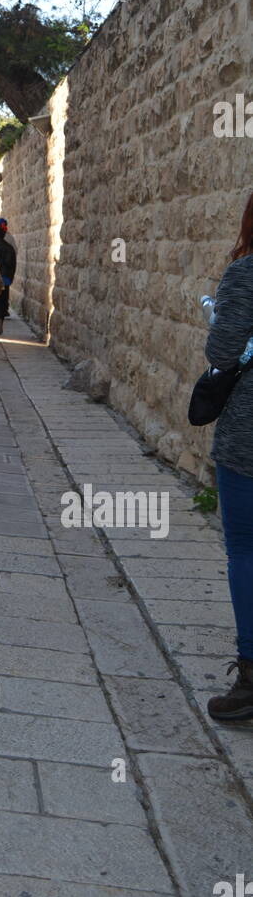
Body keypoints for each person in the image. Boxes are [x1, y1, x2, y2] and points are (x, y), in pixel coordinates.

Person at [205, 192, 253, 722]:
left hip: (248, 436)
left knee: (245, 548)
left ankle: (250, 676)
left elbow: (223, 353)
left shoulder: (246, 274)